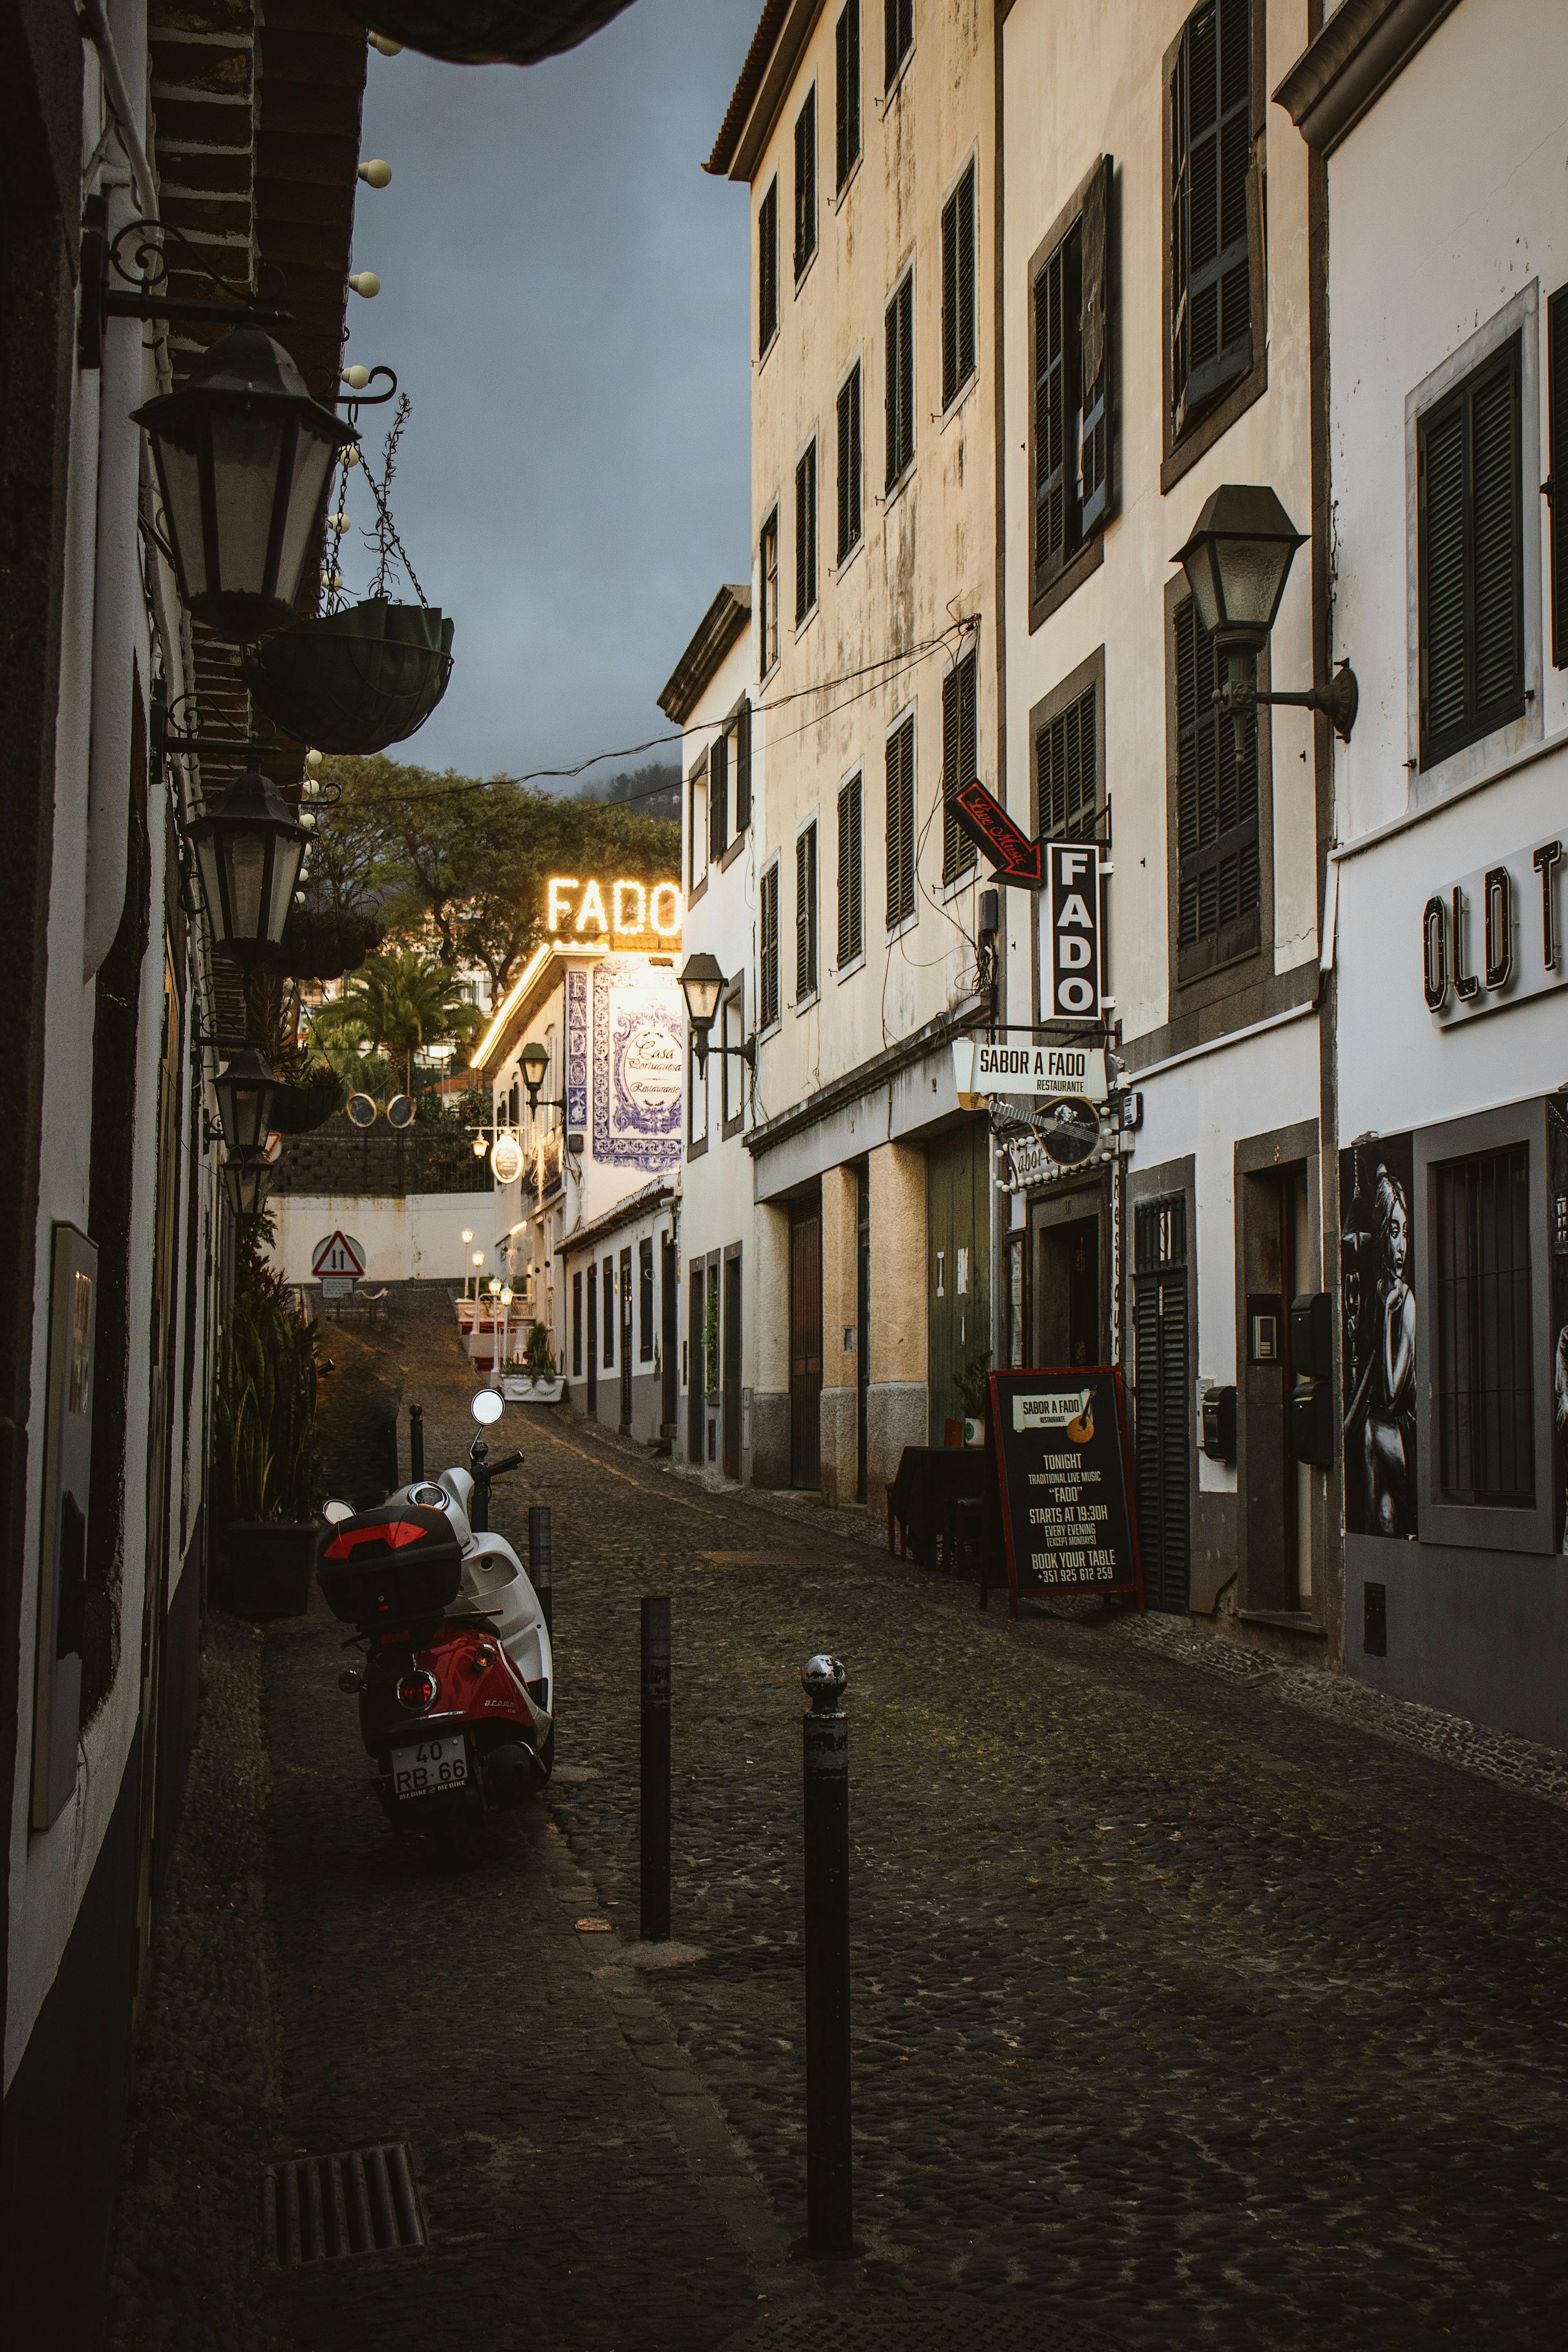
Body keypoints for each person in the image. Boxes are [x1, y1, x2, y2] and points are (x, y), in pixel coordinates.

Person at [1344, 1165, 1416, 1535]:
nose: (1401, 1244)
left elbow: (1389, 1394)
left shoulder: (1404, 1303)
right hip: (1380, 1442)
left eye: (1405, 1232)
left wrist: (1389, 1318)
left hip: (1401, 1439)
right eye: (1393, 1232)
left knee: (1375, 1427)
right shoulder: (1374, 1297)